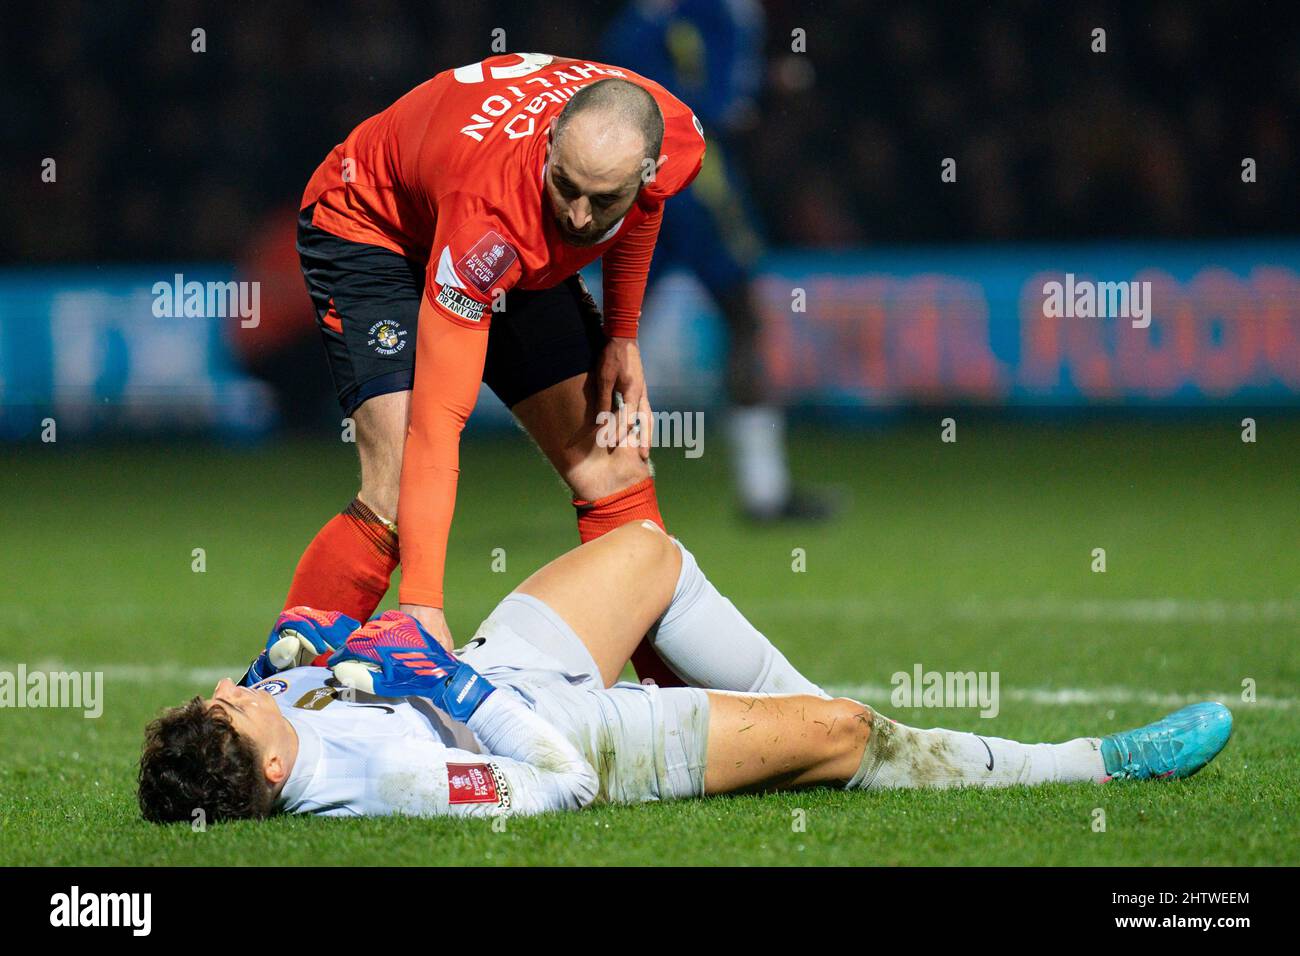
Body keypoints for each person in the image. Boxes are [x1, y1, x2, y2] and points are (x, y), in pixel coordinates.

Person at [138, 522, 1232, 822]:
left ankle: (803, 711)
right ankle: (1095, 762)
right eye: (230, 710)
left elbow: (294, 666)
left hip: (500, 664)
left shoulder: (263, 731)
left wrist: (298, 653)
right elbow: (558, 783)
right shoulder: (391, 782)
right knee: (846, 735)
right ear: (272, 771)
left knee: (648, 552)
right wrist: (442, 683)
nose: (229, 692)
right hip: (577, 732)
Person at [286, 52, 709, 685]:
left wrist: (623, 336)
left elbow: (645, 208)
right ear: (549, 144)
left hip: (510, 230)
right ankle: (269, 699)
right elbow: (438, 422)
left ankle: (674, 706)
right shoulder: (489, 218)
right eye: (567, 186)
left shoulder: (673, 137)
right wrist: (421, 606)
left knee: (614, 467)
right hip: (373, 226)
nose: (580, 217)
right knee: (398, 490)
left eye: (604, 198)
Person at [603, 0, 839, 521]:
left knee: (616, 330)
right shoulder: (725, 11)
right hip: (695, 171)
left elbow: (617, 74)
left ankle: (595, 486)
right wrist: (772, 84)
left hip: (629, 176)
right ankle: (763, 489)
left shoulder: (642, 18)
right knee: (742, 314)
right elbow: (726, 103)